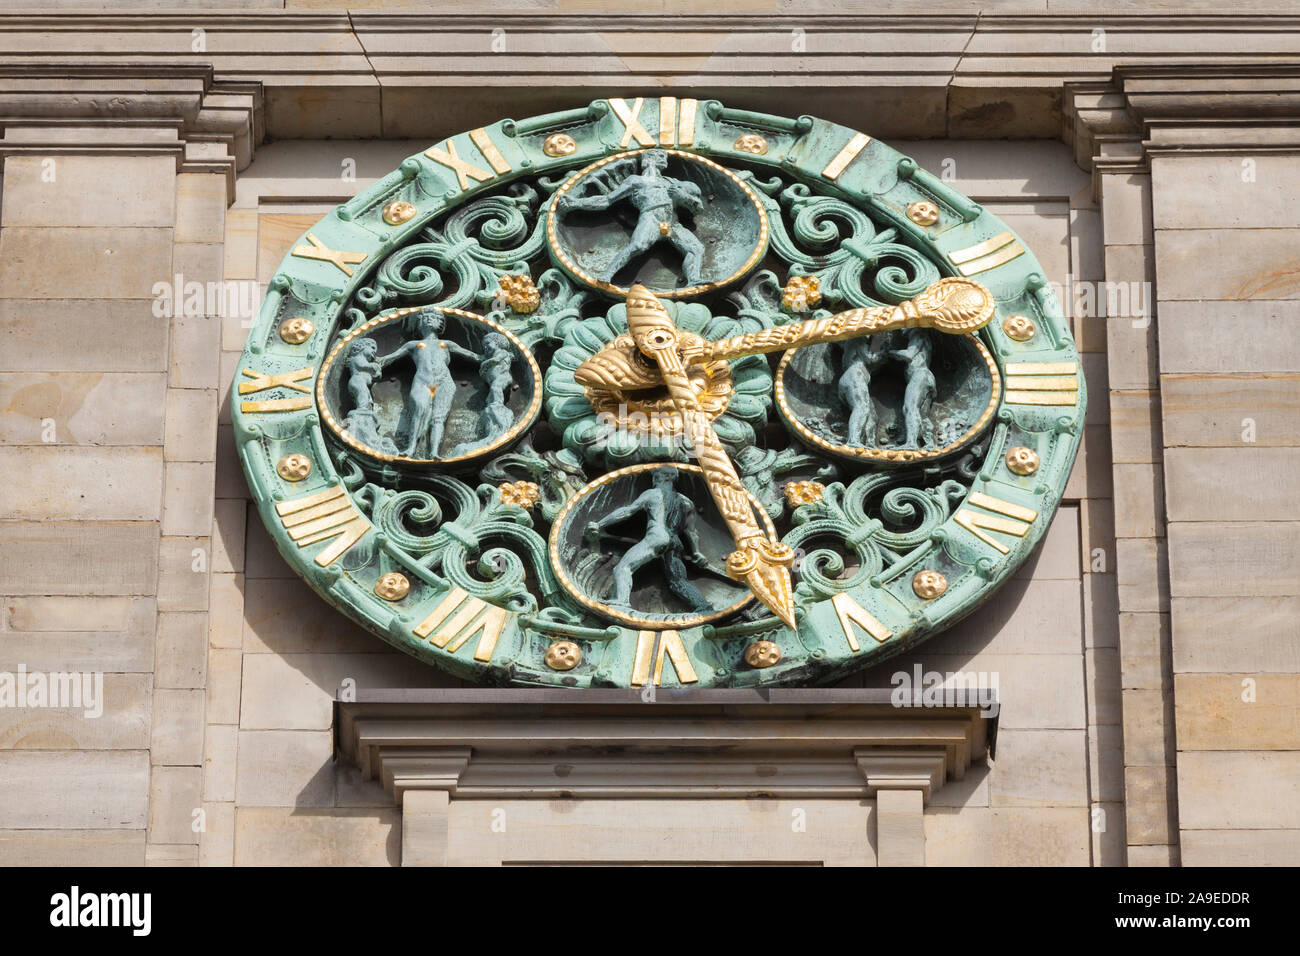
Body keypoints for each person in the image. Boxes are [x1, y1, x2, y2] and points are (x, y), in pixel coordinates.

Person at [558, 149, 706, 286]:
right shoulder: (636, 181)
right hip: (651, 219)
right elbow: (607, 200)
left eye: (664, 157)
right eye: (659, 156)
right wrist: (576, 203)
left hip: (672, 223)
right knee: (637, 246)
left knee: (696, 248)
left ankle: (693, 280)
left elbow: (698, 207)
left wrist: (684, 197)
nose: (664, 159)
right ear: (648, 160)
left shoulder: (673, 182)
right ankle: (607, 275)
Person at [585, 467, 714, 614]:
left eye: (656, 475)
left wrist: (599, 524)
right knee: (678, 581)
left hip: (657, 536)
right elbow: (691, 531)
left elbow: (627, 511)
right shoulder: (686, 502)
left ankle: (621, 603)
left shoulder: (652, 494)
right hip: (675, 542)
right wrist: (697, 552)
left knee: (623, 568)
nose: (654, 478)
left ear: (666, 477)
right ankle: (704, 607)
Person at [378, 307, 482, 458]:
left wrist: (492, 357)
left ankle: (434, 452)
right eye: (425, 318)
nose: (429, 320)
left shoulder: (446, 344)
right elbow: (389, 358)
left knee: (438, 418)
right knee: (418, 411)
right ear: (419, 323)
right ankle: (410, 448)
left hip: (443, 381)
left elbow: (472, 356)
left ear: (440, 324)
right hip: (422, 381)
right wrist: (374, 361)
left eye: (434, 318)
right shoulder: (414, 345)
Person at [888, 328, 937, 449]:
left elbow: (909, 355)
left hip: (919, 376)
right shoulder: (924, 337)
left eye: (904, 324)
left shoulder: (918, 334)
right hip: (926, 377)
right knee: (922, 414)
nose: (901, 327)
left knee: (909, 408)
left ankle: (911, 443)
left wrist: (891, 352)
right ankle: (929, 443)